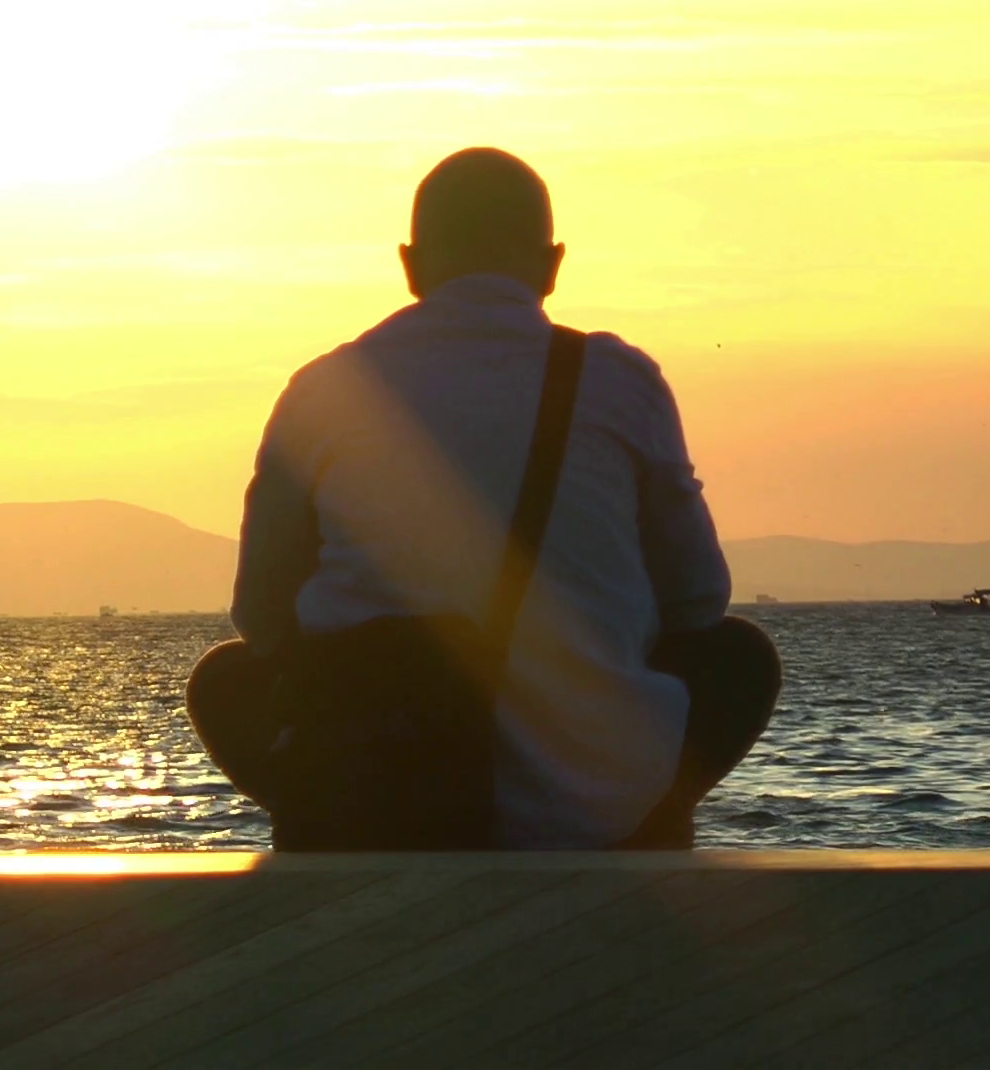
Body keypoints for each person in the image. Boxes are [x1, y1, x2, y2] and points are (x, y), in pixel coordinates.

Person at [187, 147, 781, 850]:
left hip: (379, 790)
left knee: (222, 680)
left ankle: (347, 829)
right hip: (593, 808)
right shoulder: (622, 381)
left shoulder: (323, 390)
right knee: (740, 657)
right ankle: (640, 828)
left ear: (410, 265)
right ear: (552, 264)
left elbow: (261, 613)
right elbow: (698, 602)